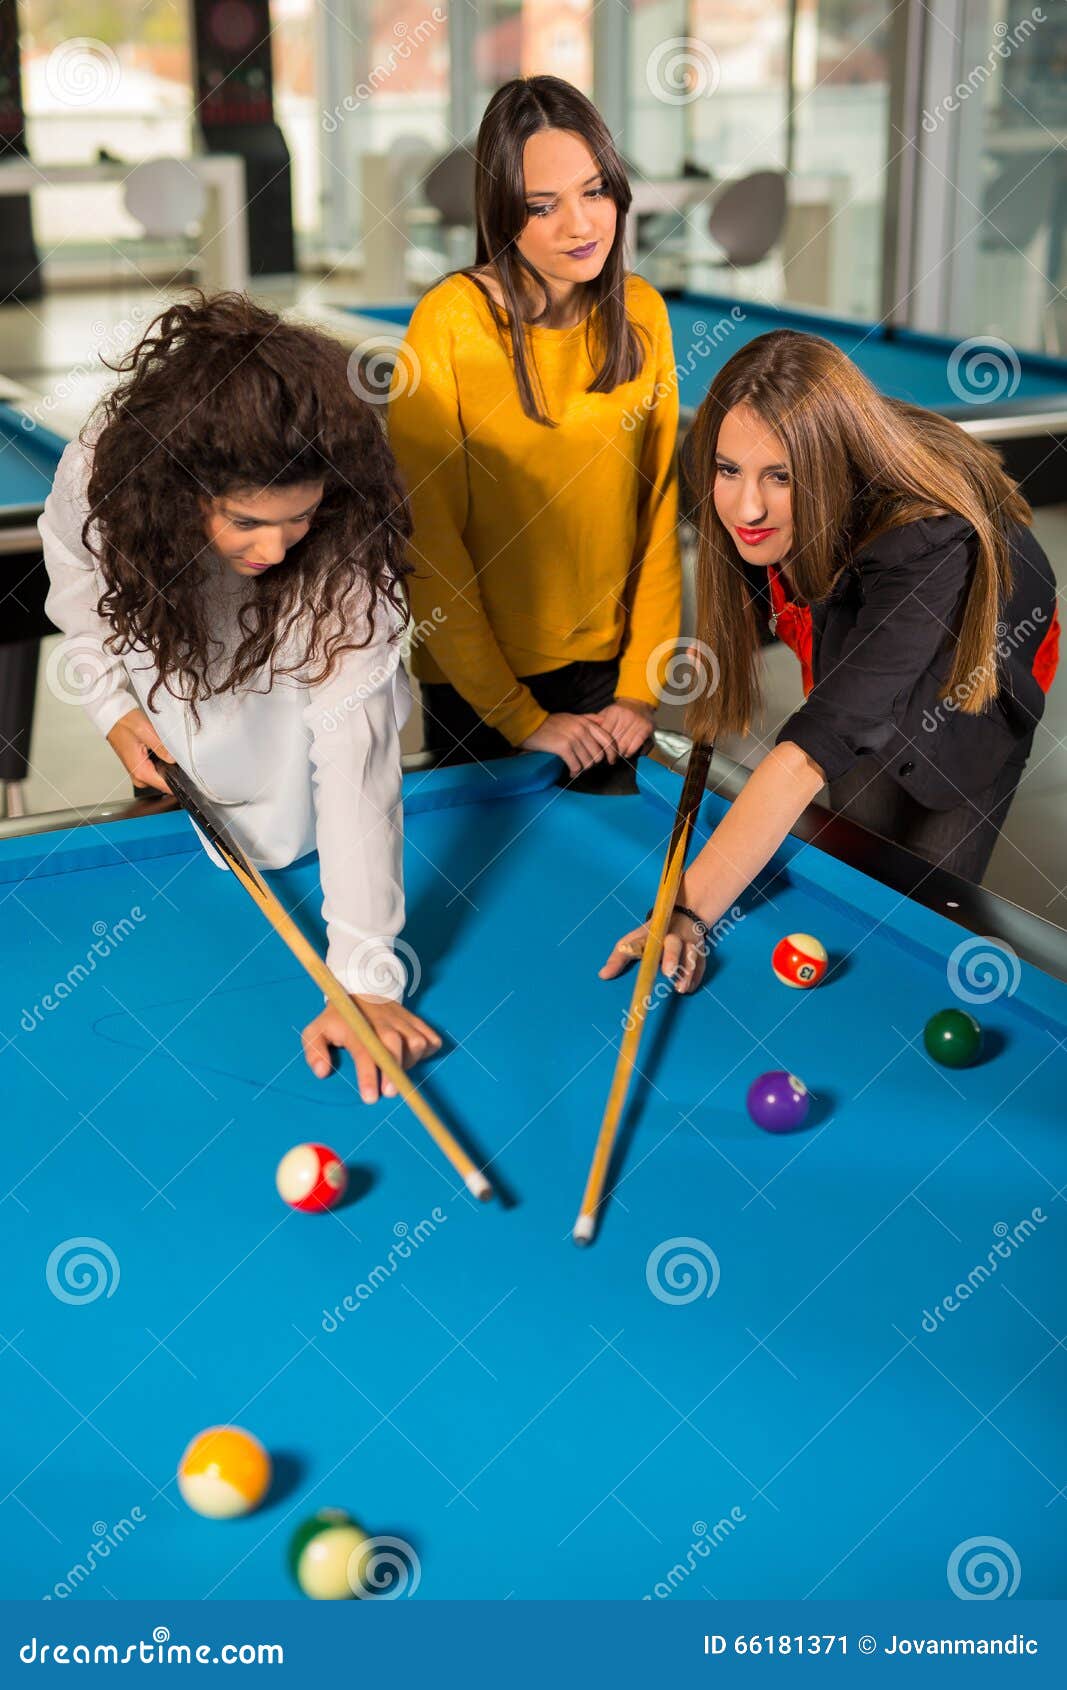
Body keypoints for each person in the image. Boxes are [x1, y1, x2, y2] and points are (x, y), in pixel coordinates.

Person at [40, 291, 440, 1100]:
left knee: (317, 804)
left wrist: (363, 978)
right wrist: (114, 710)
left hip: (301, 721)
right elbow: (77, 582)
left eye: (298, 516)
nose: (278, 546)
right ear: (179, 490)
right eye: (249, 522)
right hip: (179, 725)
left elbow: (356, 762)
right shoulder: (105, 472)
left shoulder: (342, 561)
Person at [601, 328, 1059, 990]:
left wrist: (684, 912)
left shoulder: (925, 542)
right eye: (729, 470)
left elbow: (814, 747)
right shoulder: (766, 508)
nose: (745, 505)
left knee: (923, 905)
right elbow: (837, 717)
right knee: (853, 851)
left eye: (779, 476)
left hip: (977, 681)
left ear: (827, 468)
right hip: (864, 621)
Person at [388, 74, 682, 787]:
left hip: (607, 680)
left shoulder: (641, 313)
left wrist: (642, 687)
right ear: (500, 213)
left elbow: (659, 512)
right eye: (540, 206)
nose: (579, 226)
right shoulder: (449, 321)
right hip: (476, 684)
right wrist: (518, 717)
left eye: (594, 192)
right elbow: (428, 542)